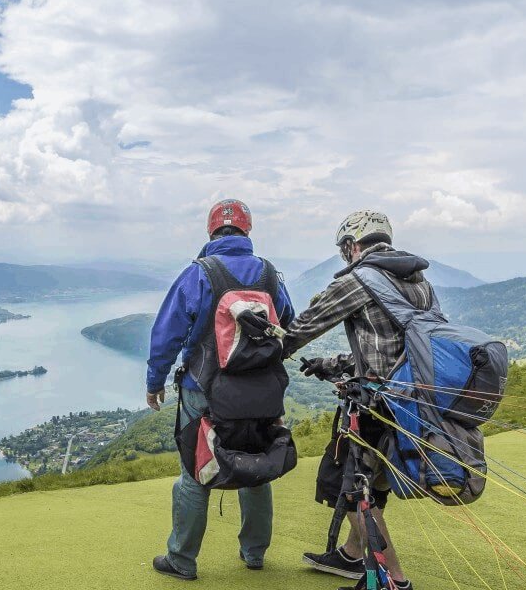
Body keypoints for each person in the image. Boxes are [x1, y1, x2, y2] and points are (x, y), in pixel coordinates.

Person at [145, 199, 295, 581]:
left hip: (206, 390)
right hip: (261, 392)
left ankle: (182, 559)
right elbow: (288, 323)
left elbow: (166, 335)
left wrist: (154, 382)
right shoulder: (269, 275)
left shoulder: (198, 274)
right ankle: (255, 553)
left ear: (211, 232)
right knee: (256, 467)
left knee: (195, 473)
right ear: (248, 231)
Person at [283, 210, 433, 590]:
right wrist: (331, 364)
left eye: (343, 249)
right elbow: (395, 349)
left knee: (345, 488)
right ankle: (352, 556)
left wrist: (268, 345)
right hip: (410, 402)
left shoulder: (359, 279)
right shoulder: (419, 282)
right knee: (375, 486)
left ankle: (393, 580)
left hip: (375, 407)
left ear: (352, 245)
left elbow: (304, 326)